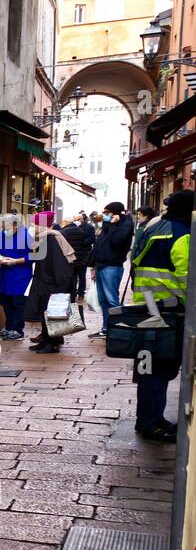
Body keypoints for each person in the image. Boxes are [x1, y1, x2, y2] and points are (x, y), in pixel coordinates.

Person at [131, 189, 190, 442]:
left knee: (148, 367)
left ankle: (146, 419)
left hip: (145, 307)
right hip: (169, 310)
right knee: (161, 367)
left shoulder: (152, 229)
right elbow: (188, 278)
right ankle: (151, 423)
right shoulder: (182, 235)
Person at [28, 222, 78, 354]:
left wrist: (60, 285)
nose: (33, 227)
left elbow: (57, 263)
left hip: (51, 283)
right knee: (45, 313)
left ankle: (52, 343)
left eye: (35, 224)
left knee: (52, 313)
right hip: (45, 281)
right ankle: (45, 340)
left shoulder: (51, 239)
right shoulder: (45, 238)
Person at [88, 201, 134, 338]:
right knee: (103, 300)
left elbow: (116, 241)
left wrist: (113, 224)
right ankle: (106, 328)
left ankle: (116, 329)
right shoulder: (107, 225)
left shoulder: (125, 224)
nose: (104, 215)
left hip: (112, 266)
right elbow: (99, 244)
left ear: (116, 213)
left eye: (107, 212)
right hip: (101, 264)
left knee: (111, 300)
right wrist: (93, 266)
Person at [0, 215, 35, 340]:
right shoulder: (1, 235)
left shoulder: (27, 236)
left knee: (18, 303)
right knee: (6, 301)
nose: (4, 229)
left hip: (20, 275)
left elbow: (34, 256)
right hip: (5, 274)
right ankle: (9, 327)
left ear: (16, 225)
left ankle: (18, 331)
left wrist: (16, 261)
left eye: (6, 226)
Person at [61, 212, 95, 308]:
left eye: (77, 219)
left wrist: (82, 243)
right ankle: (75, 293)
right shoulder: (80, 231)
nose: (76, 221)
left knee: (80, 275)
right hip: (79, 256)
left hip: (80, 256)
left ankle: (79, 293)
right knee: (75, 276)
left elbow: (91, 239)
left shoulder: (88, 228)